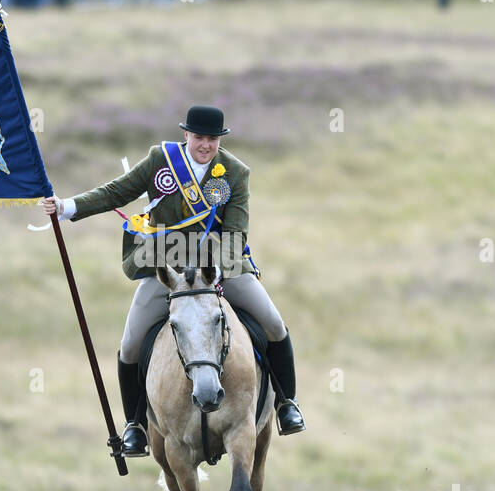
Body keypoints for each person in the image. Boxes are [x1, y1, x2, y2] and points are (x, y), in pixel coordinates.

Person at [42, 106, 305, 456]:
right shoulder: (159, 161)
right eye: (199, 137)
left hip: (221, 269)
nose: (205, 145)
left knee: (274, 324)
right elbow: (116, 193)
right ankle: (135, 425)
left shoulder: (236, 173)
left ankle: (287, 403)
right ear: (186, 136)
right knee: (132, 341)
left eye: (212, 139)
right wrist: (67, 207)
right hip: (166, 271)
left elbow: (236, 233)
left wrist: (213, 265)